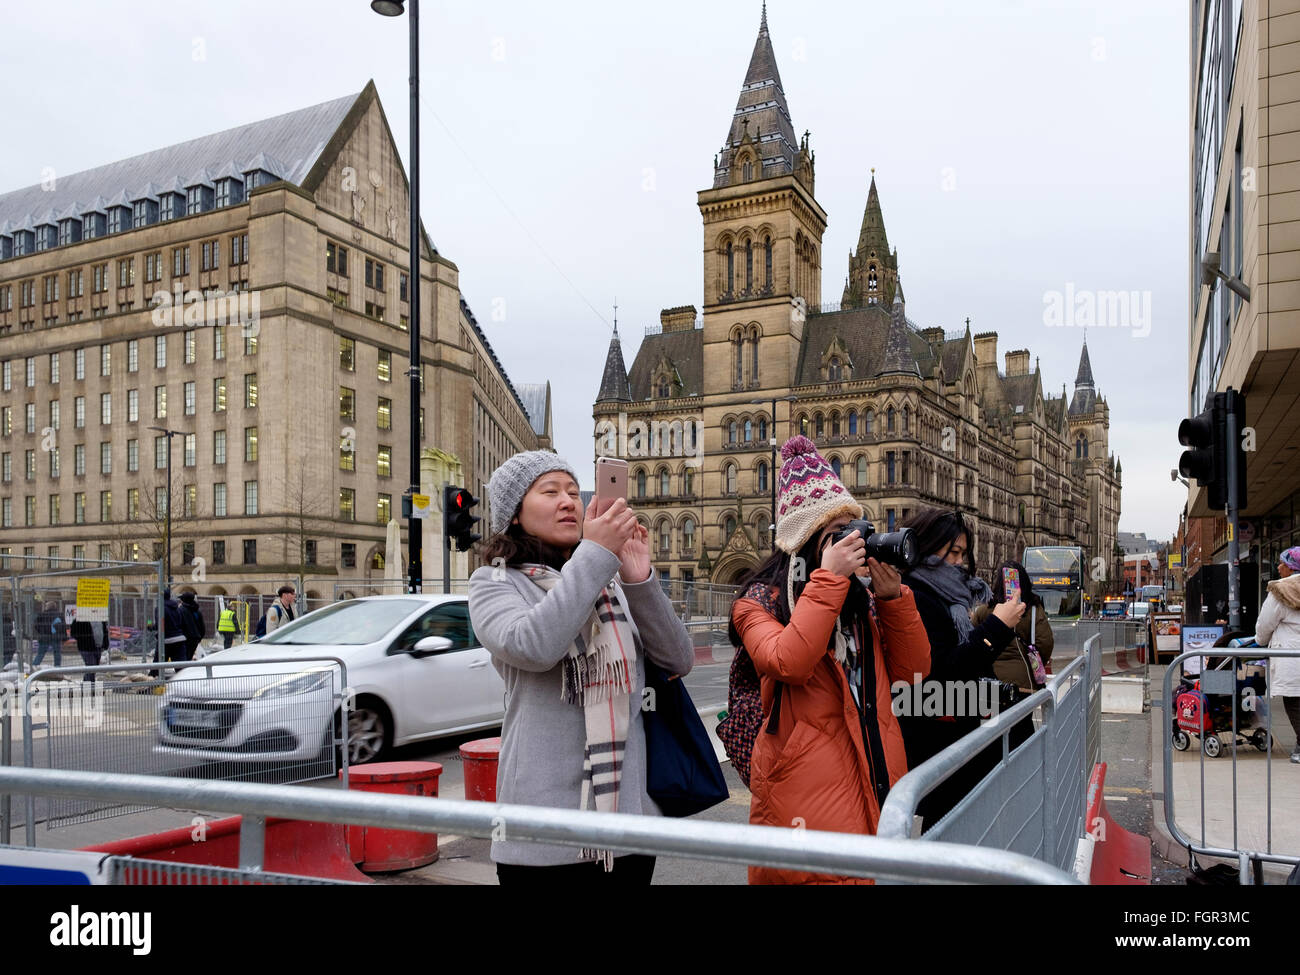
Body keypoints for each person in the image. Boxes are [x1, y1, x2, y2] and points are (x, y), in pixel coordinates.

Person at [467, 450, 694, 885]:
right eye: (549, 491)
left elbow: (678, 658)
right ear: (513, 513)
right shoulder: (495, 582)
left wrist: (639, 579)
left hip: (627, 826)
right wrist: (594, 554)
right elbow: (534, 645)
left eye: (573, 491)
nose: (568, 501)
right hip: (541, 832)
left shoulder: (607, 582)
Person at [729, 436, 930, 885]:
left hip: (876, 784)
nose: (854, 543)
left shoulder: (863, 607)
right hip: (806, 805)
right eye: (837, 535)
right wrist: (830, 580)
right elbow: (790, 662)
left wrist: (894, 597)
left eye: (855, 529)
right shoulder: (757, 604)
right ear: (804, 545)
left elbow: (914, 673)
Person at [898, 507, 1024, 828]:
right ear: (926, 545)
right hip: (931, 733)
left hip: (953, 725)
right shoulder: (917, 594)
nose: (958, 562)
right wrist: (996, 627)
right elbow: (943, 672)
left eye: (963, 554)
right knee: (942, 828)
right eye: (952, 551)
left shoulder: (952, 596)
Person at [972, 559, 1054, 697]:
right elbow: (1045, 643)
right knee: (1022, 718)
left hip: (990, 680)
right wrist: (1035, 663)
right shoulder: (1033, 610)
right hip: (1023, 681)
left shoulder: (983, 611)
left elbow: (972, 641)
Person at [1255, 546, 1300, 764]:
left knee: (1294, 701)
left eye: (1283, 563)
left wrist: (1259, 642)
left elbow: (1265, 624)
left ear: (1292, 568)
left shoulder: (1281, 591)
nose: (1279, 567)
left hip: (1291, 658)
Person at [32, 601, 63, 669]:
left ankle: (34, 665)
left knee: (40, 653)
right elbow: (62, 626)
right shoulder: (59, 614)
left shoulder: (42, 615)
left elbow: (36, 625)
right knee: (57, 652)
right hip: (55, 636)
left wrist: (41, 631)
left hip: (44, 636)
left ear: (47, 607)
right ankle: (57, 667)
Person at [178, 591, 205, 660]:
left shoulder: (181, 610)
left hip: (184, 639)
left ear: (184, 600)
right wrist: (199, 638)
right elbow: (202, 627)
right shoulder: (197, 611)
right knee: (188, 658)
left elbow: (179, 624)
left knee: (183, 660)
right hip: (195, 639)